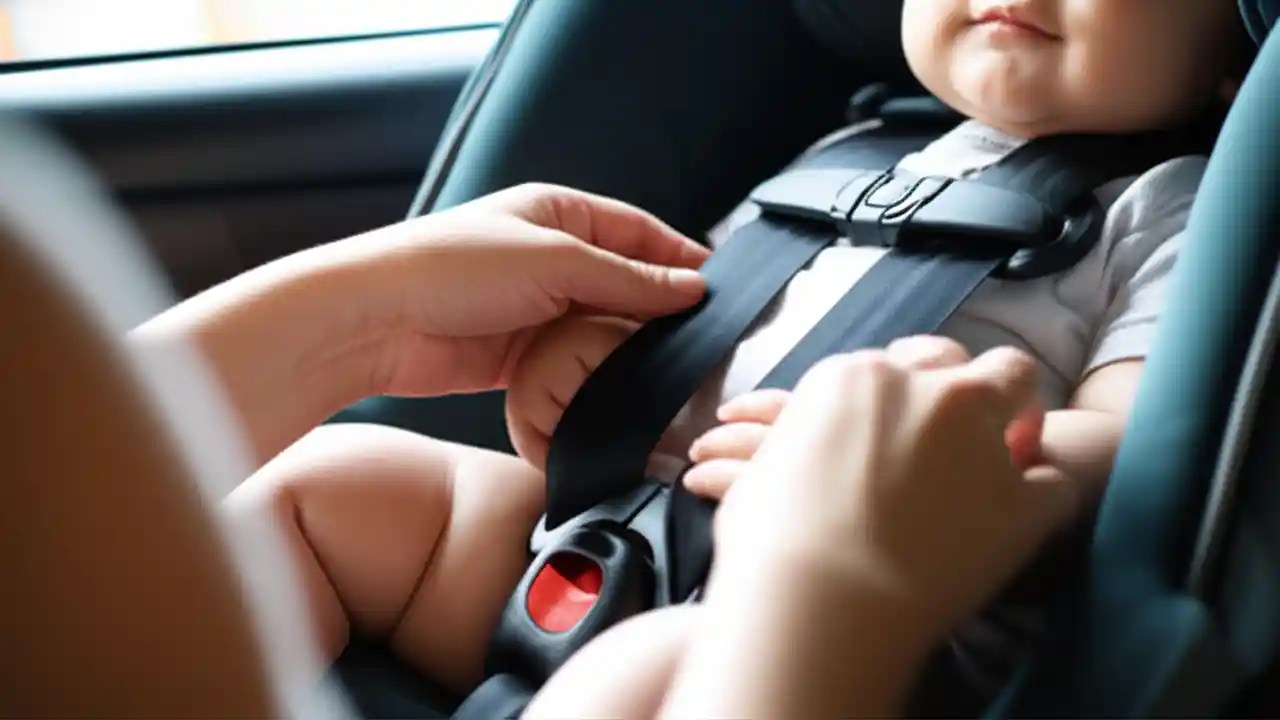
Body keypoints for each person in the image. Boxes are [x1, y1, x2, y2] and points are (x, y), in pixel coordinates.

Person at [153, 0, 1248, 713]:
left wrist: (934, 458)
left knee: (642, 671)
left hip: (865, 618)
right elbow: (694, 312)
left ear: (1229, 51)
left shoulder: (1171, 209)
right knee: (334, 487)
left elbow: (1137, 447)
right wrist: (598, 362)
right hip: (602, 534)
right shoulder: (847, 154)